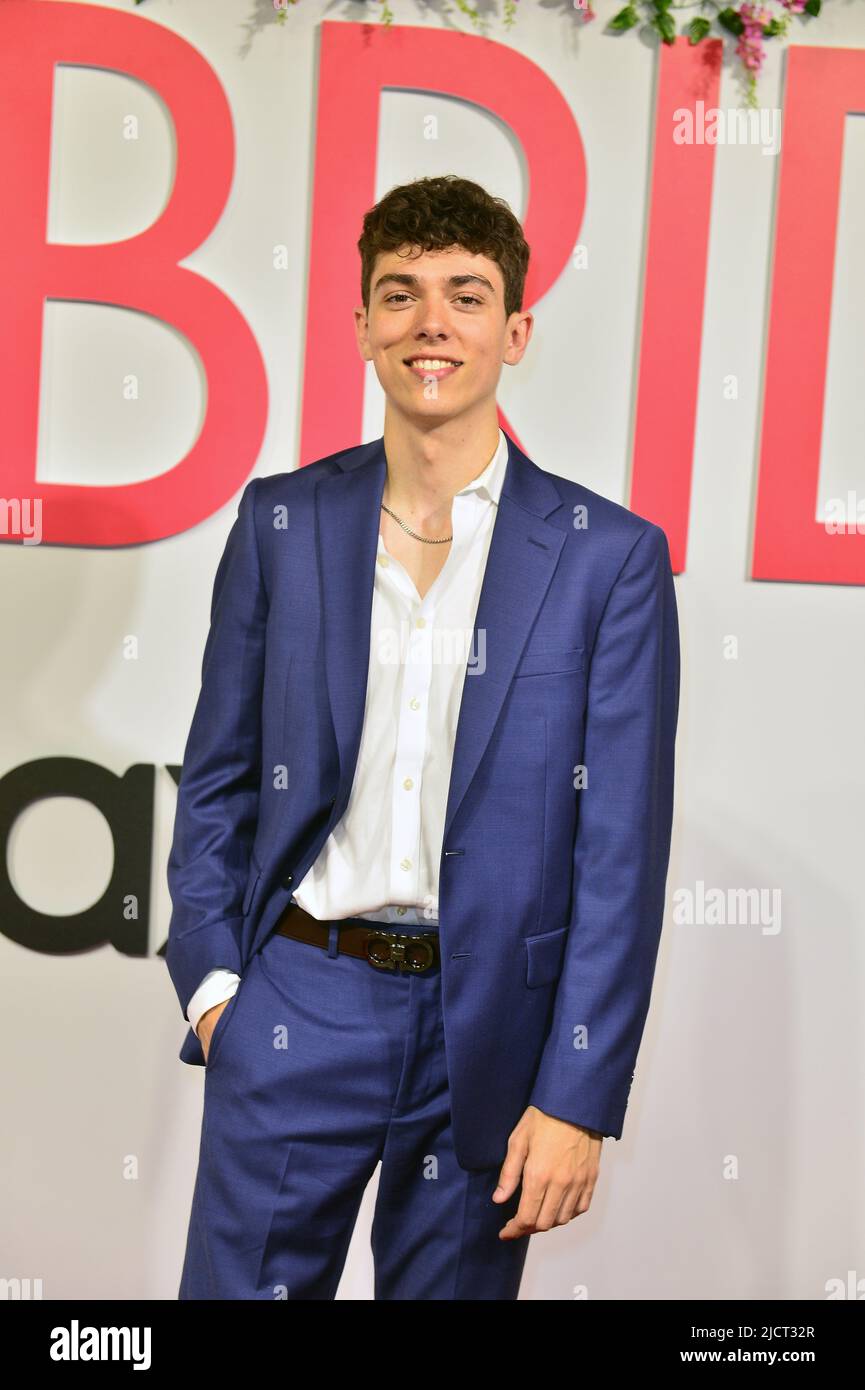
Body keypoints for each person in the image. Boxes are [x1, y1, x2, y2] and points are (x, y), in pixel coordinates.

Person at [165, 174, 680, 1300]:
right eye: (399, 295)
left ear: (515, 332)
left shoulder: (607, 559)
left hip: (490, 1029)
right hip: (298, 1000)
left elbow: (620, 855)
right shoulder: (282, 522)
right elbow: (217, 777)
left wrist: (578, 1092)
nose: (430, 323)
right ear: (362, 326)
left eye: (465, 294)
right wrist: (213, 987)